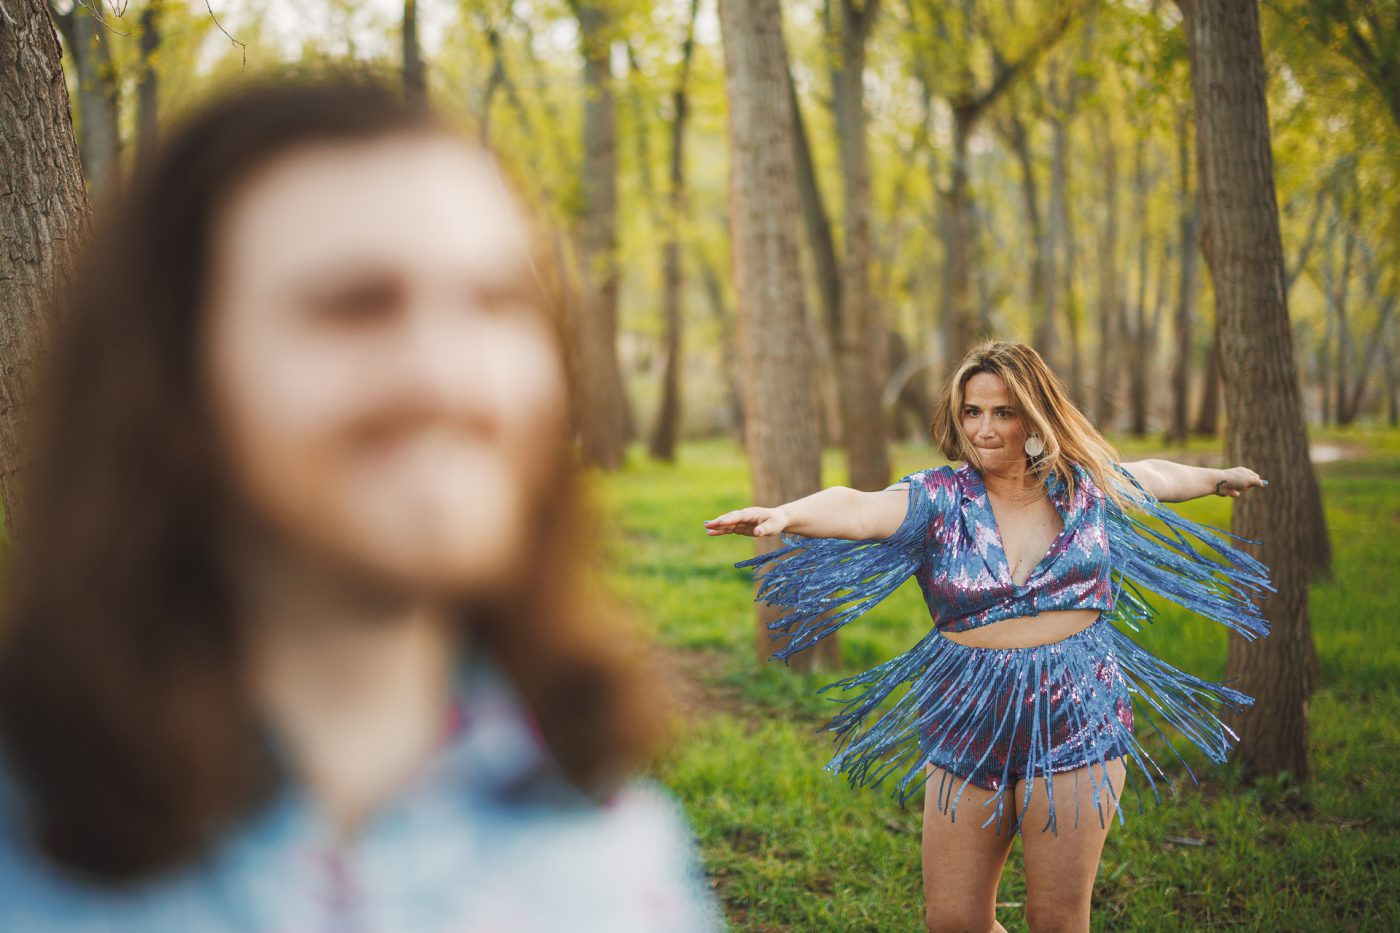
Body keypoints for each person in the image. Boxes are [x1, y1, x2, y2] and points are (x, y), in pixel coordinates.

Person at [0, 75, 722, 932]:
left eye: (495, 304)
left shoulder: (617, 851)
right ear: (167, 379)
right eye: (354, 306)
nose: (453, 376)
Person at [704, 340, 1273, 933]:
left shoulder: (1087, 487)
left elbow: (1155, 475)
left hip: (1077, 708)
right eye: (972, 411)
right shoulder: (937, 499)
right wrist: (785, 515)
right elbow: (859, 506)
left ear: (1035, 416)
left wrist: (1216, 477)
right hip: (967, 711)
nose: (983, 428)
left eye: (1002, 412)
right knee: (952, 920)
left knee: (1056, 918)